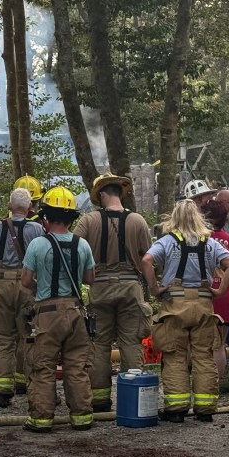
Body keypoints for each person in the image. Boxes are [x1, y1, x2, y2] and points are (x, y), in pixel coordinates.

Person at [142, 200, 229, 423]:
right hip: (203, 304)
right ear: (198, 217)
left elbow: (146, 260)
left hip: (174, 304)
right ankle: (205, 409)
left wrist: (155, 288)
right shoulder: (210, 243)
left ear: (174, 217)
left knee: (175, 356)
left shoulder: (166, 241)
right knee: (204, 356)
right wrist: (220, 289)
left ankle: (176, 409)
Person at [73, 173, 152, 412]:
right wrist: (154, 287)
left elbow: (73, 252)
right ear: (121, 193)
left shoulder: (88, 221)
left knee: (99, 344)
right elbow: (149, 257)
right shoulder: (138, 221)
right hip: (131, 288)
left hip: (99, 289)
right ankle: (132, 399)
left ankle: (99, 400)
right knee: (131, 343)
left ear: (103, 195)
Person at [21, 186, 96, 433]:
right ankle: (82, 417)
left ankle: (41, 419)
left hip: (47, 313)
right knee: (76, 367)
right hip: (75, 312)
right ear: (72, 217)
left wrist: (41, 284)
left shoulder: (37, 245)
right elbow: (89, 279)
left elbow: (25, 281)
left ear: (46, 217)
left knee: (43, 367)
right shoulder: (82, 244)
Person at [0, 187, 44, 406]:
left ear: (9, 207)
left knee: (3, 338)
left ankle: (2, 392)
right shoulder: (37, 229)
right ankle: (26, 384)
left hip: (1, 284)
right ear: (30, 208)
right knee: (28, 335)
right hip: (27, 284)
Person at [200, 199, 229, 388]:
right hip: (225, 293)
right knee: (219, 344)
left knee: (198, 342)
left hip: (202, 293)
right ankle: (213, 386)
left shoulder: (196, 239)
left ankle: (198, 382)